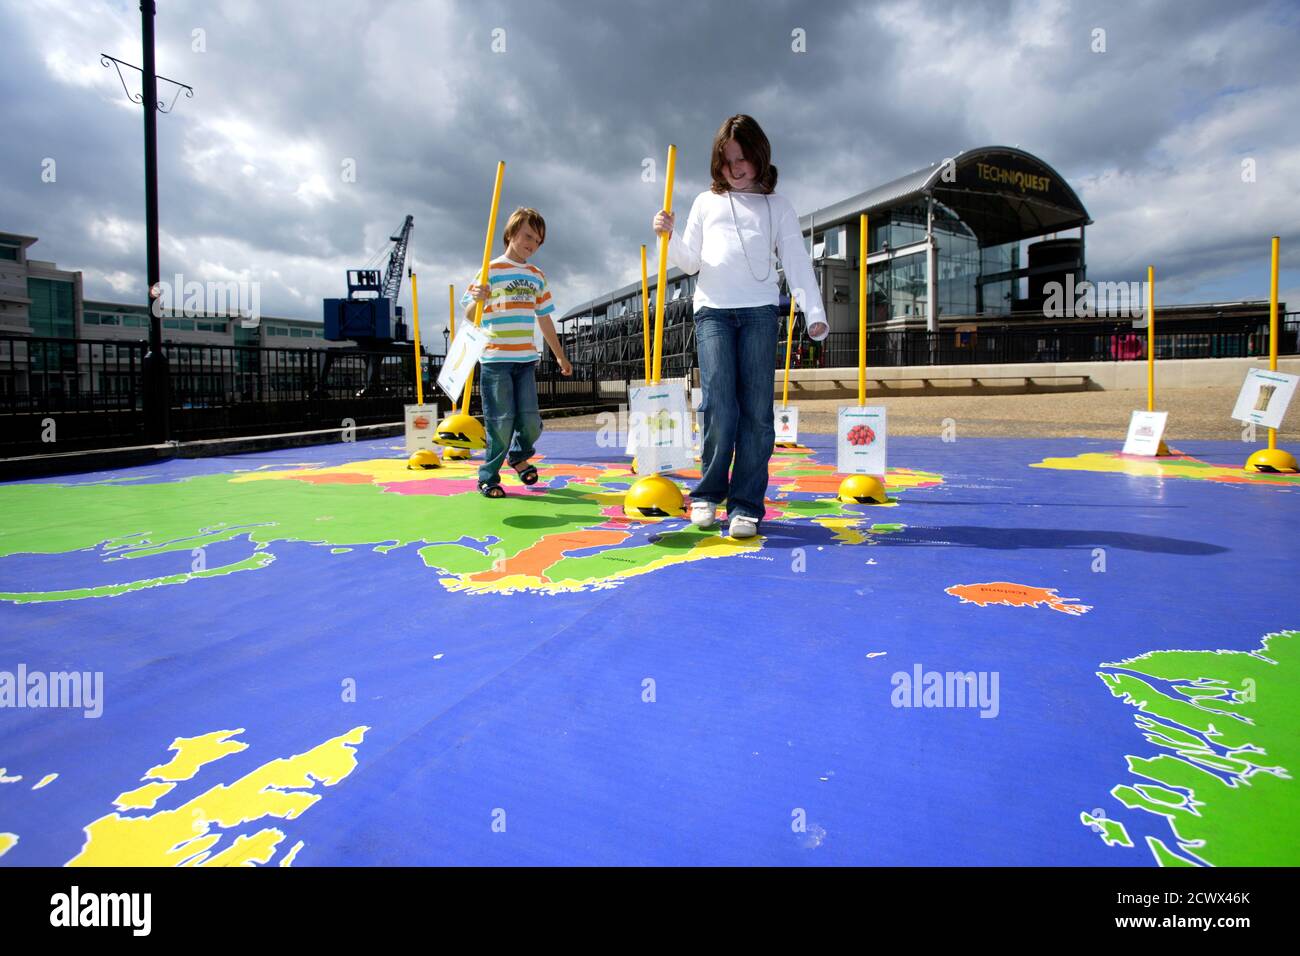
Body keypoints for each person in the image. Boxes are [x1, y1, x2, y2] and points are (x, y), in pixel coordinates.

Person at [652, 114, 829, 538]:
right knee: (716, 404)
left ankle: (746, 505)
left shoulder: (777, 206)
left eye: (743, 157)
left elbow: (797, 262)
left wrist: (814, 313)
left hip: (759, 314)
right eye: (728, 159)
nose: (736, 167)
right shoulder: (704, 202)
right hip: (712, 311)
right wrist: (669, 236)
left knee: (756, 412)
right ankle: (708, 495)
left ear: (759, 155)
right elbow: (690, 262)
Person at [462, 207, 572, 498]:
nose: (531, 244)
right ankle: (488, 476)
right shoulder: (490, 271)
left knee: (531, 421)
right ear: (510, 233)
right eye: (527, 236)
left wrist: (559, 354)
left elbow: (545, 317)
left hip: (525, 361)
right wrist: (478, 299)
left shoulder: (536, 275)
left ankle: (519, 455)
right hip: (495, 360)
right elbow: (469, 315)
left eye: (537, 241)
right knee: (500, 423)